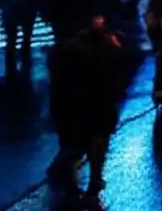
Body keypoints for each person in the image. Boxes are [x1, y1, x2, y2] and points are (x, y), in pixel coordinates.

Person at [47, 15, 130, 210]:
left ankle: (68, 182)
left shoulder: (67, 49)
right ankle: (89, 184)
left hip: (72, 105)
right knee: (94, 143)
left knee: (75, 144)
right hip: (96, 105)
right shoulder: (108, 50)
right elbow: (118, 75)